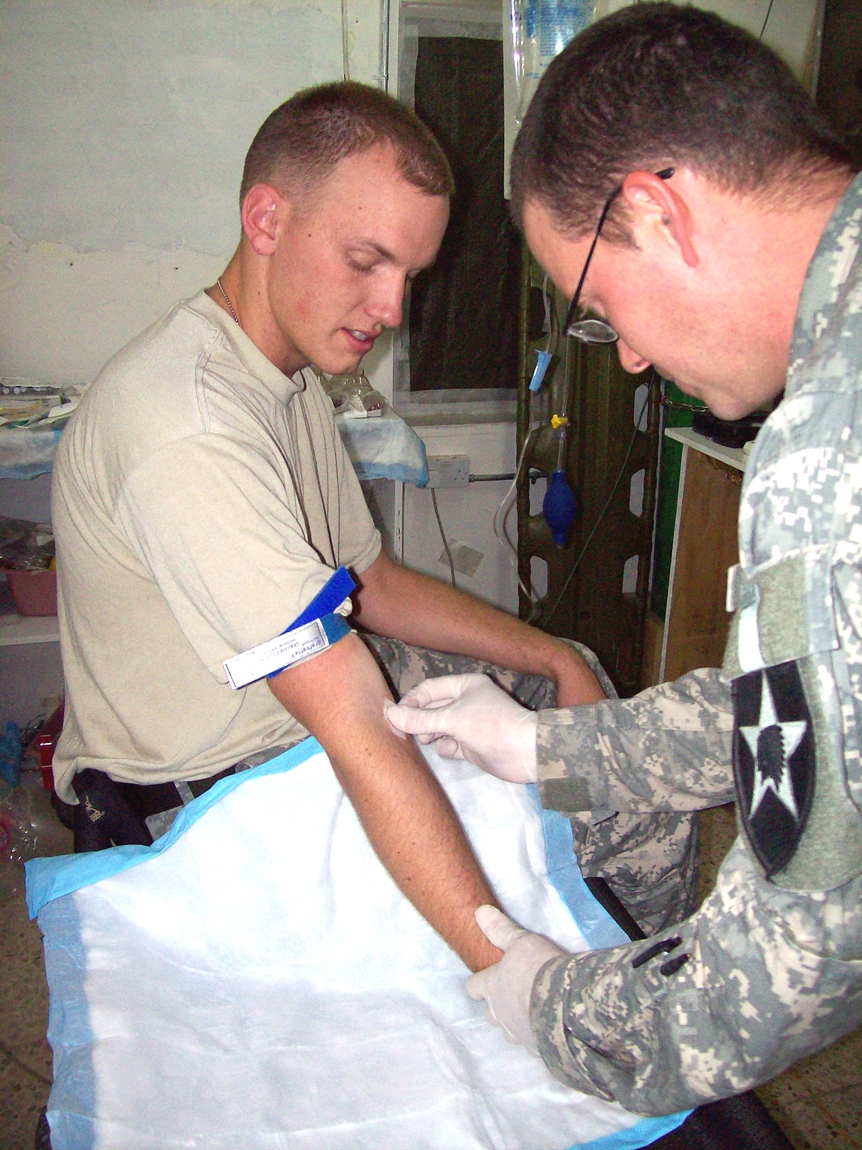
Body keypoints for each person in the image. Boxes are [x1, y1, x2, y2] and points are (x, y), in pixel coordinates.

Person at [384, 3, 862, 1114]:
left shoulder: (831, 446)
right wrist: (549, 746)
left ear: (655, 209)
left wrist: (552, 999)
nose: (635, 358)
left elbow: (788, 957)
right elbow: (805, 715)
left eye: (599, 304)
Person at [50, 81, 606, 975]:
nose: (392, 310)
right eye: (365, 261)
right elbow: (347, 704)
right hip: (206, 792)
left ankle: (589, 906)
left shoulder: (288, 373)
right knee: (547, 870)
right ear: (266, 219)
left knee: (579, 706)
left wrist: (554, 656)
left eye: (411, 276)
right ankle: (593, 959)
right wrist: (509, 970)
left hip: (289, 720)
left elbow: (370, 581)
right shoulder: (187, 426)